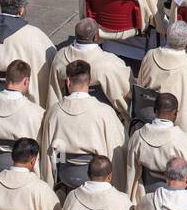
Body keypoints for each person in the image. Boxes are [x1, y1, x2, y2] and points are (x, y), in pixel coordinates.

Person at [40, 59, 126, 188]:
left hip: (64, 176)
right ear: (89, 81)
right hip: (98, 178)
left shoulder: (54, 112)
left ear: (68, 81)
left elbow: (48, 155)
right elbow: (118, 151)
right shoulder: (105, 112)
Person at [125, 92, 187, 205]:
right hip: (178, 202)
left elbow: (131, 172)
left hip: (146, 199)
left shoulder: (138, 137)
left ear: (154, 110)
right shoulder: (186, 142)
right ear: (176, 113)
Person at [47, 18, 131, 120]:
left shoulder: (60, 57)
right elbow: (124, 94)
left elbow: (54, 92)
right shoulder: (110, 64)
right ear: (96, 37)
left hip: (67, 112)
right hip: (101, 115)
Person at [138, 22, 187, 139]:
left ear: (165, 35)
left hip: (149, 117)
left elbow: (140, 85)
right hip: (179, 127)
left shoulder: (150, 56)